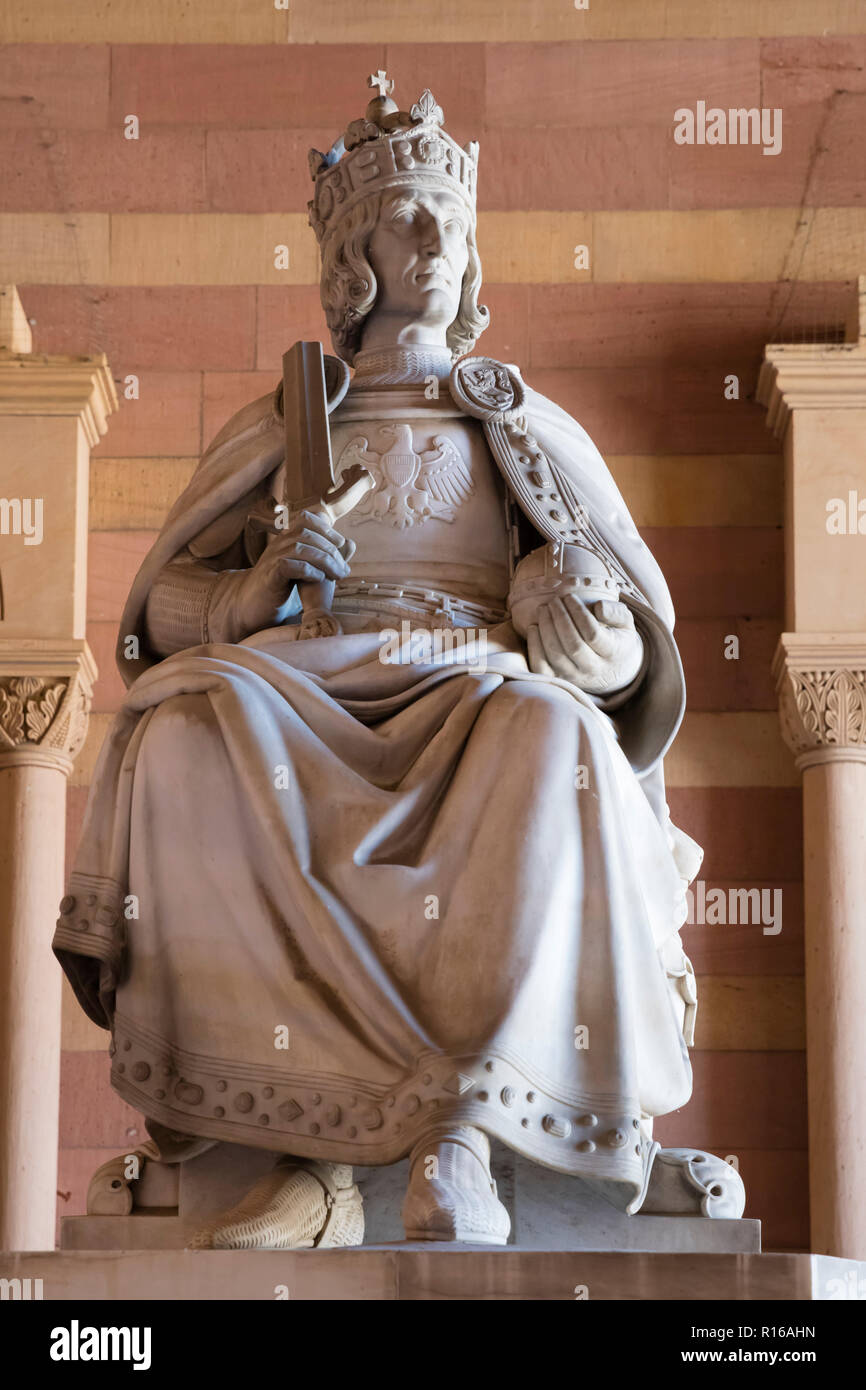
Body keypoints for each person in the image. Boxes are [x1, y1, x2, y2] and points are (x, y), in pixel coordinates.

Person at [55, 76, 736, 1250]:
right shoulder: (286, 425)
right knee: (177, 733)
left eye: (447, 220)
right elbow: (160, 608)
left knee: (555, 737)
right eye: (405, 216)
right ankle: (284, 1144)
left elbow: (626, 655)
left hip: (477, 679)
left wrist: (581, 629)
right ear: (350, 257)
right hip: (297, 676)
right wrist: (248, 591)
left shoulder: (520, 425)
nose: (432, 238)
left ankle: (460, 1135)